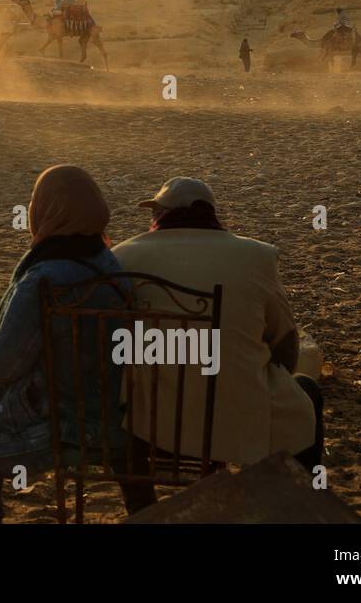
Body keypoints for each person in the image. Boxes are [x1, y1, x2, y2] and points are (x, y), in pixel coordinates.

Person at [0, 164, 145, 523]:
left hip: (50, 433)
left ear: (47, 211)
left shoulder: (42, 278)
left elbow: (2, 365)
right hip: (107, 425)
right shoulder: (110, 266)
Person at [110, 177, 322, 476]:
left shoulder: (122, 256)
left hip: (146, 424)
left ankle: (140, 507)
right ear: (209, 213)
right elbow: (284, 339)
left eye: (155, 211)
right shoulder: (257, 256)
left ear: (163, 215)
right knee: (306, 393)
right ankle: (297, 501)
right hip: (236, 423)